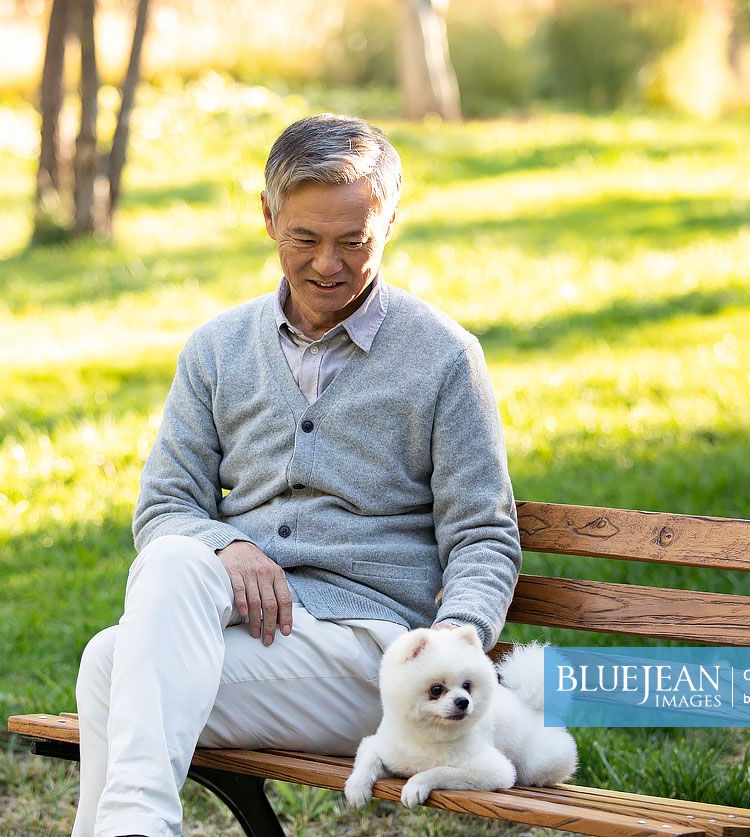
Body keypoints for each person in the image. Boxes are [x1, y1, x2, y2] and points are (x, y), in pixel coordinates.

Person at [72, 113, 521, 837]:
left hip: (368, 656)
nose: (326, 264)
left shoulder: (442, 357)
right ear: (267, 217)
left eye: (354, 241)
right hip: (254, 635)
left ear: (390, 222)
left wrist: (454, 641)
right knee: (151, 595)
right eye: (303, 238)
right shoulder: (217, 349)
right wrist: (228, 546)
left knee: (111, 665)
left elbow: (483, 534)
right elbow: (164, 506)